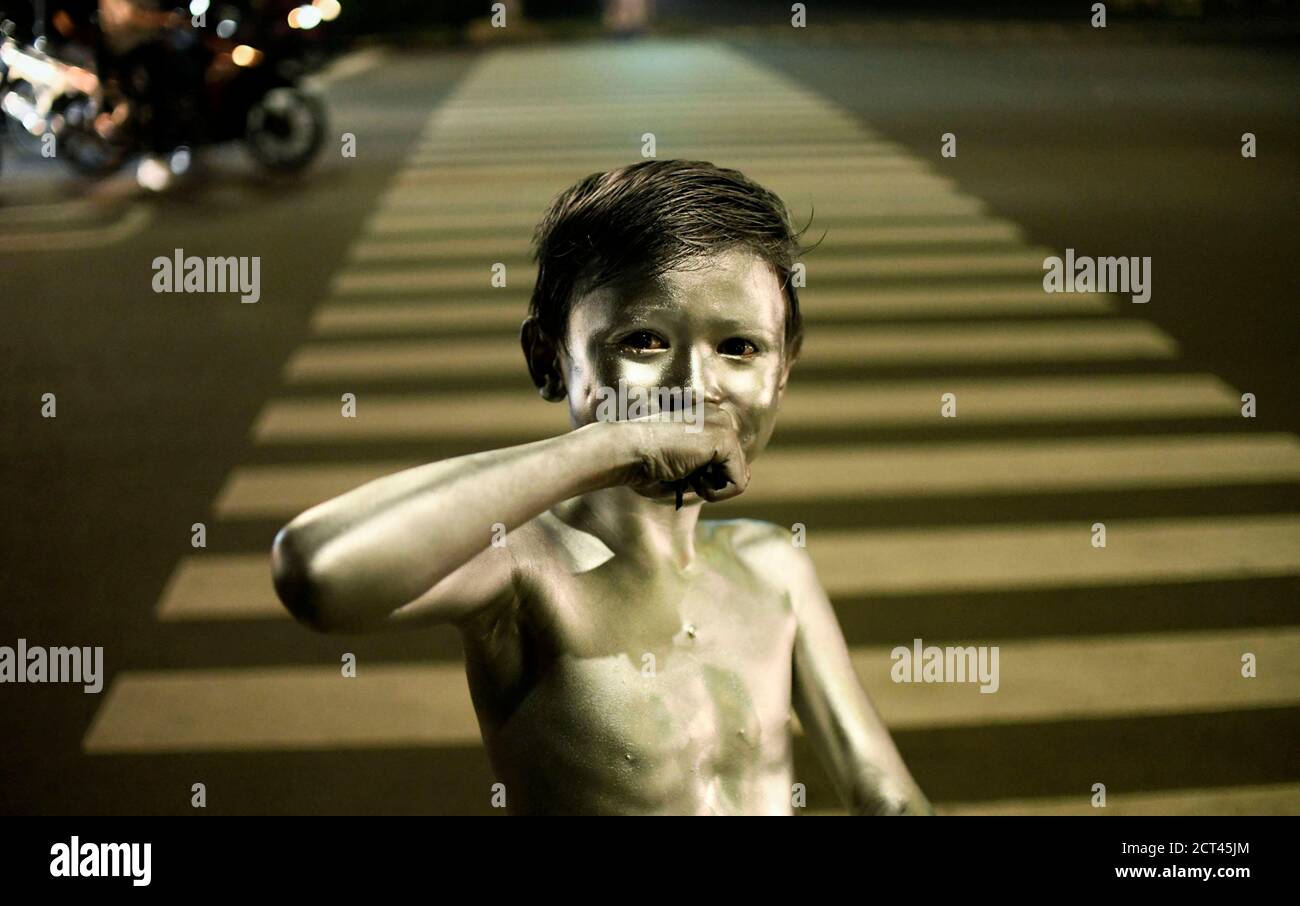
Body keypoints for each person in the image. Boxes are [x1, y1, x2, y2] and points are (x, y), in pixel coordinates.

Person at [271, 160, 934, 816]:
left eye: (739, 347)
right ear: (548, 360)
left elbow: (886, 794)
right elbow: (320, 572)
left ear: (784, 370)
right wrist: (616, 445)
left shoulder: (773, 565)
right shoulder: (524, 565)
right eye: (643, 341)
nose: (694, 389)